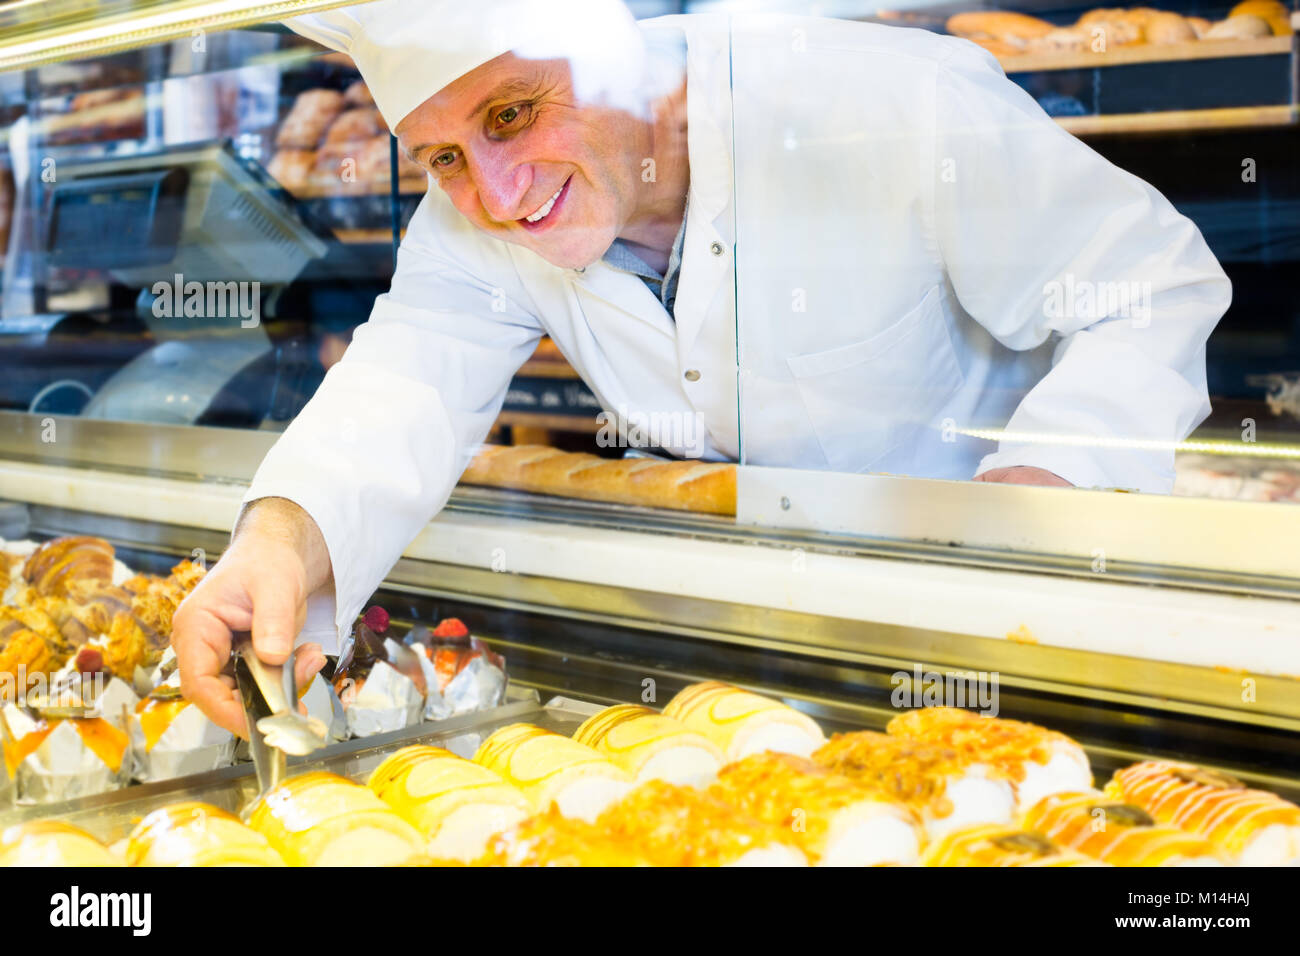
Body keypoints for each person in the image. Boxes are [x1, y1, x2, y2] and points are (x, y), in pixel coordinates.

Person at [174, 0, 1229, 733]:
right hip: (768, 658)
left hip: (1022, 639)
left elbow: (1144, 285)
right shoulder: (473, 225)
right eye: (446, 156)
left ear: (618, 64)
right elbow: (404, 381)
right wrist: (280, 539)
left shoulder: (883, 104)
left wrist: (1035, 500)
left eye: (510, 114)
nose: (494, 195)